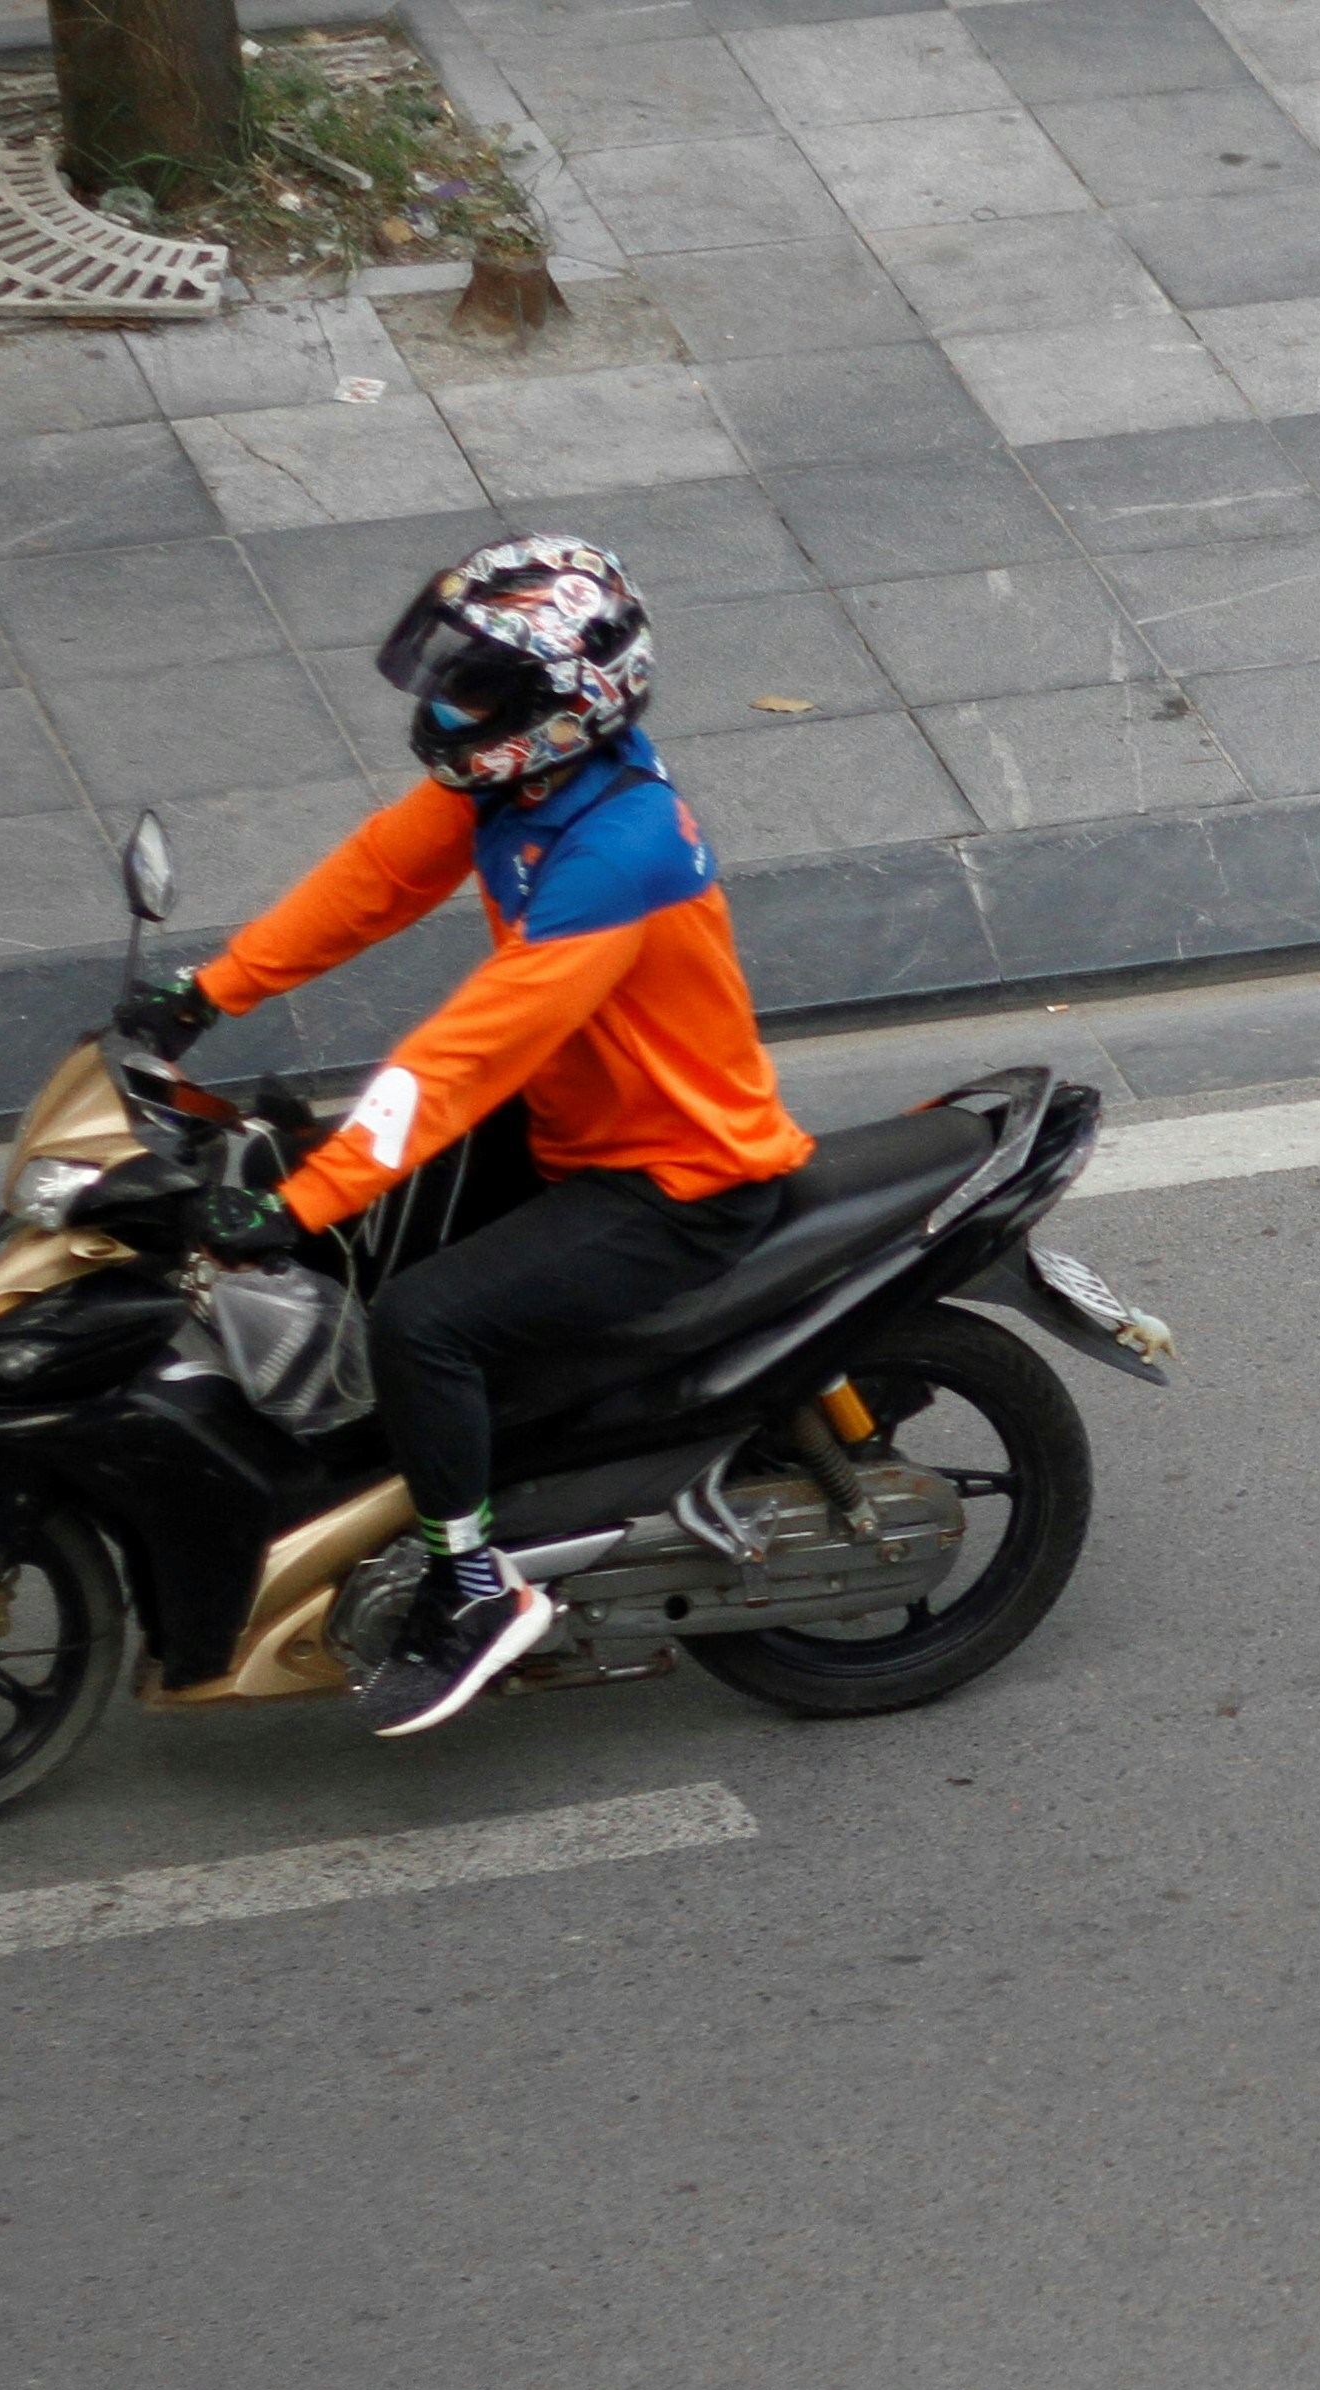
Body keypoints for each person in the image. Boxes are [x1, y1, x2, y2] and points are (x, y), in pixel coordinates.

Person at [111, 536, 811, 1740]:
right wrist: (209, 991)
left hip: (676, 1184)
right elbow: (373, 879)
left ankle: (475, 1588)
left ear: (561, 704)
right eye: (450, 674)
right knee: (350, 1226)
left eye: (477, 688)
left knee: (420, 1322)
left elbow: (461, 1055)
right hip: (572, 1128)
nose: (447, 703)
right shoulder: (522, 786)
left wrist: (301, 1203)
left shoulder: (621, 851)